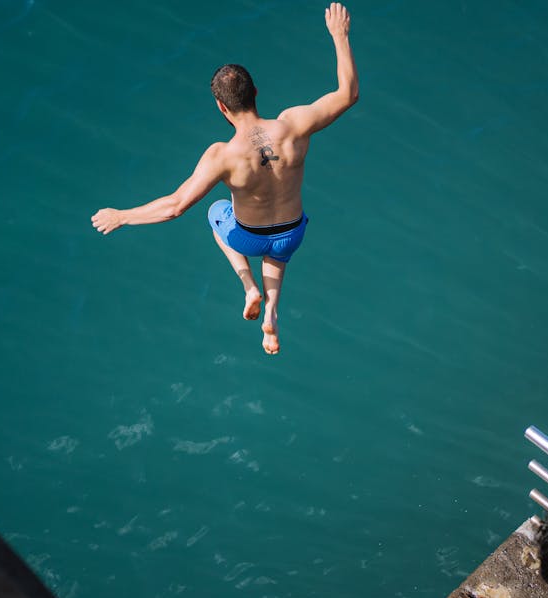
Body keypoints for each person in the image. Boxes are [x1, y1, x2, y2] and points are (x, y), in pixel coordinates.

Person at [91, 3, 358, 355]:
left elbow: (174, 206)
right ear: (256, 93)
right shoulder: (294, 125)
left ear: (221, 107)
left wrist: (122, 216)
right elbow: (348, 94)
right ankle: (273, 314)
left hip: (248, 238)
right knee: (278, 249)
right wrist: (340, 36)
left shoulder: (223, 156)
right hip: (292, 232)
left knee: (216, 211)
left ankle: (249, 286)